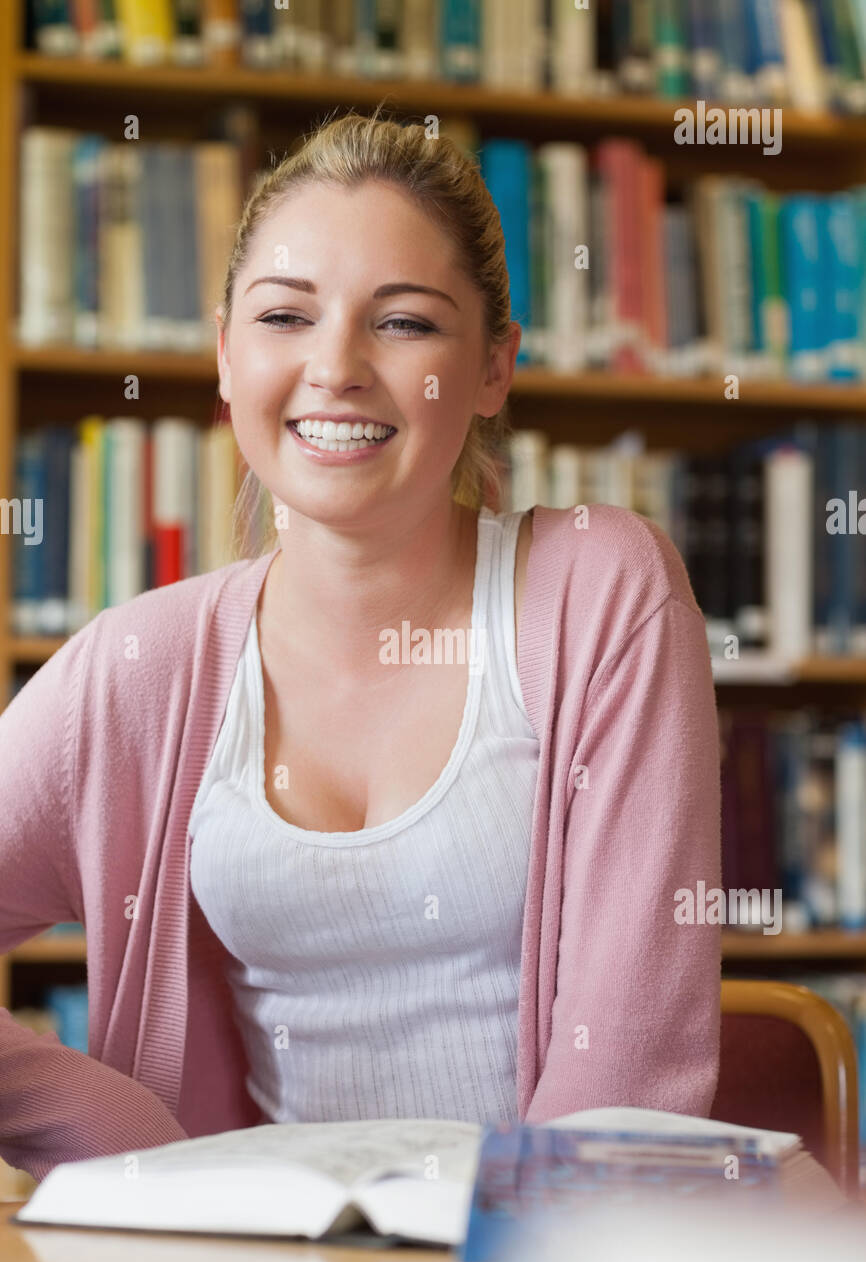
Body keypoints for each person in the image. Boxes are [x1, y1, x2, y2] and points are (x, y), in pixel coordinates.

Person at [0, 109, 721, 1181]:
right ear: (226, 358)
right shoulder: (137, 666)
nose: (333, 368)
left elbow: (619, 1087)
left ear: (491, 368)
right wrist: (116, 1134)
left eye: (403, 323)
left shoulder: (599, 590)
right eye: (285, 316)